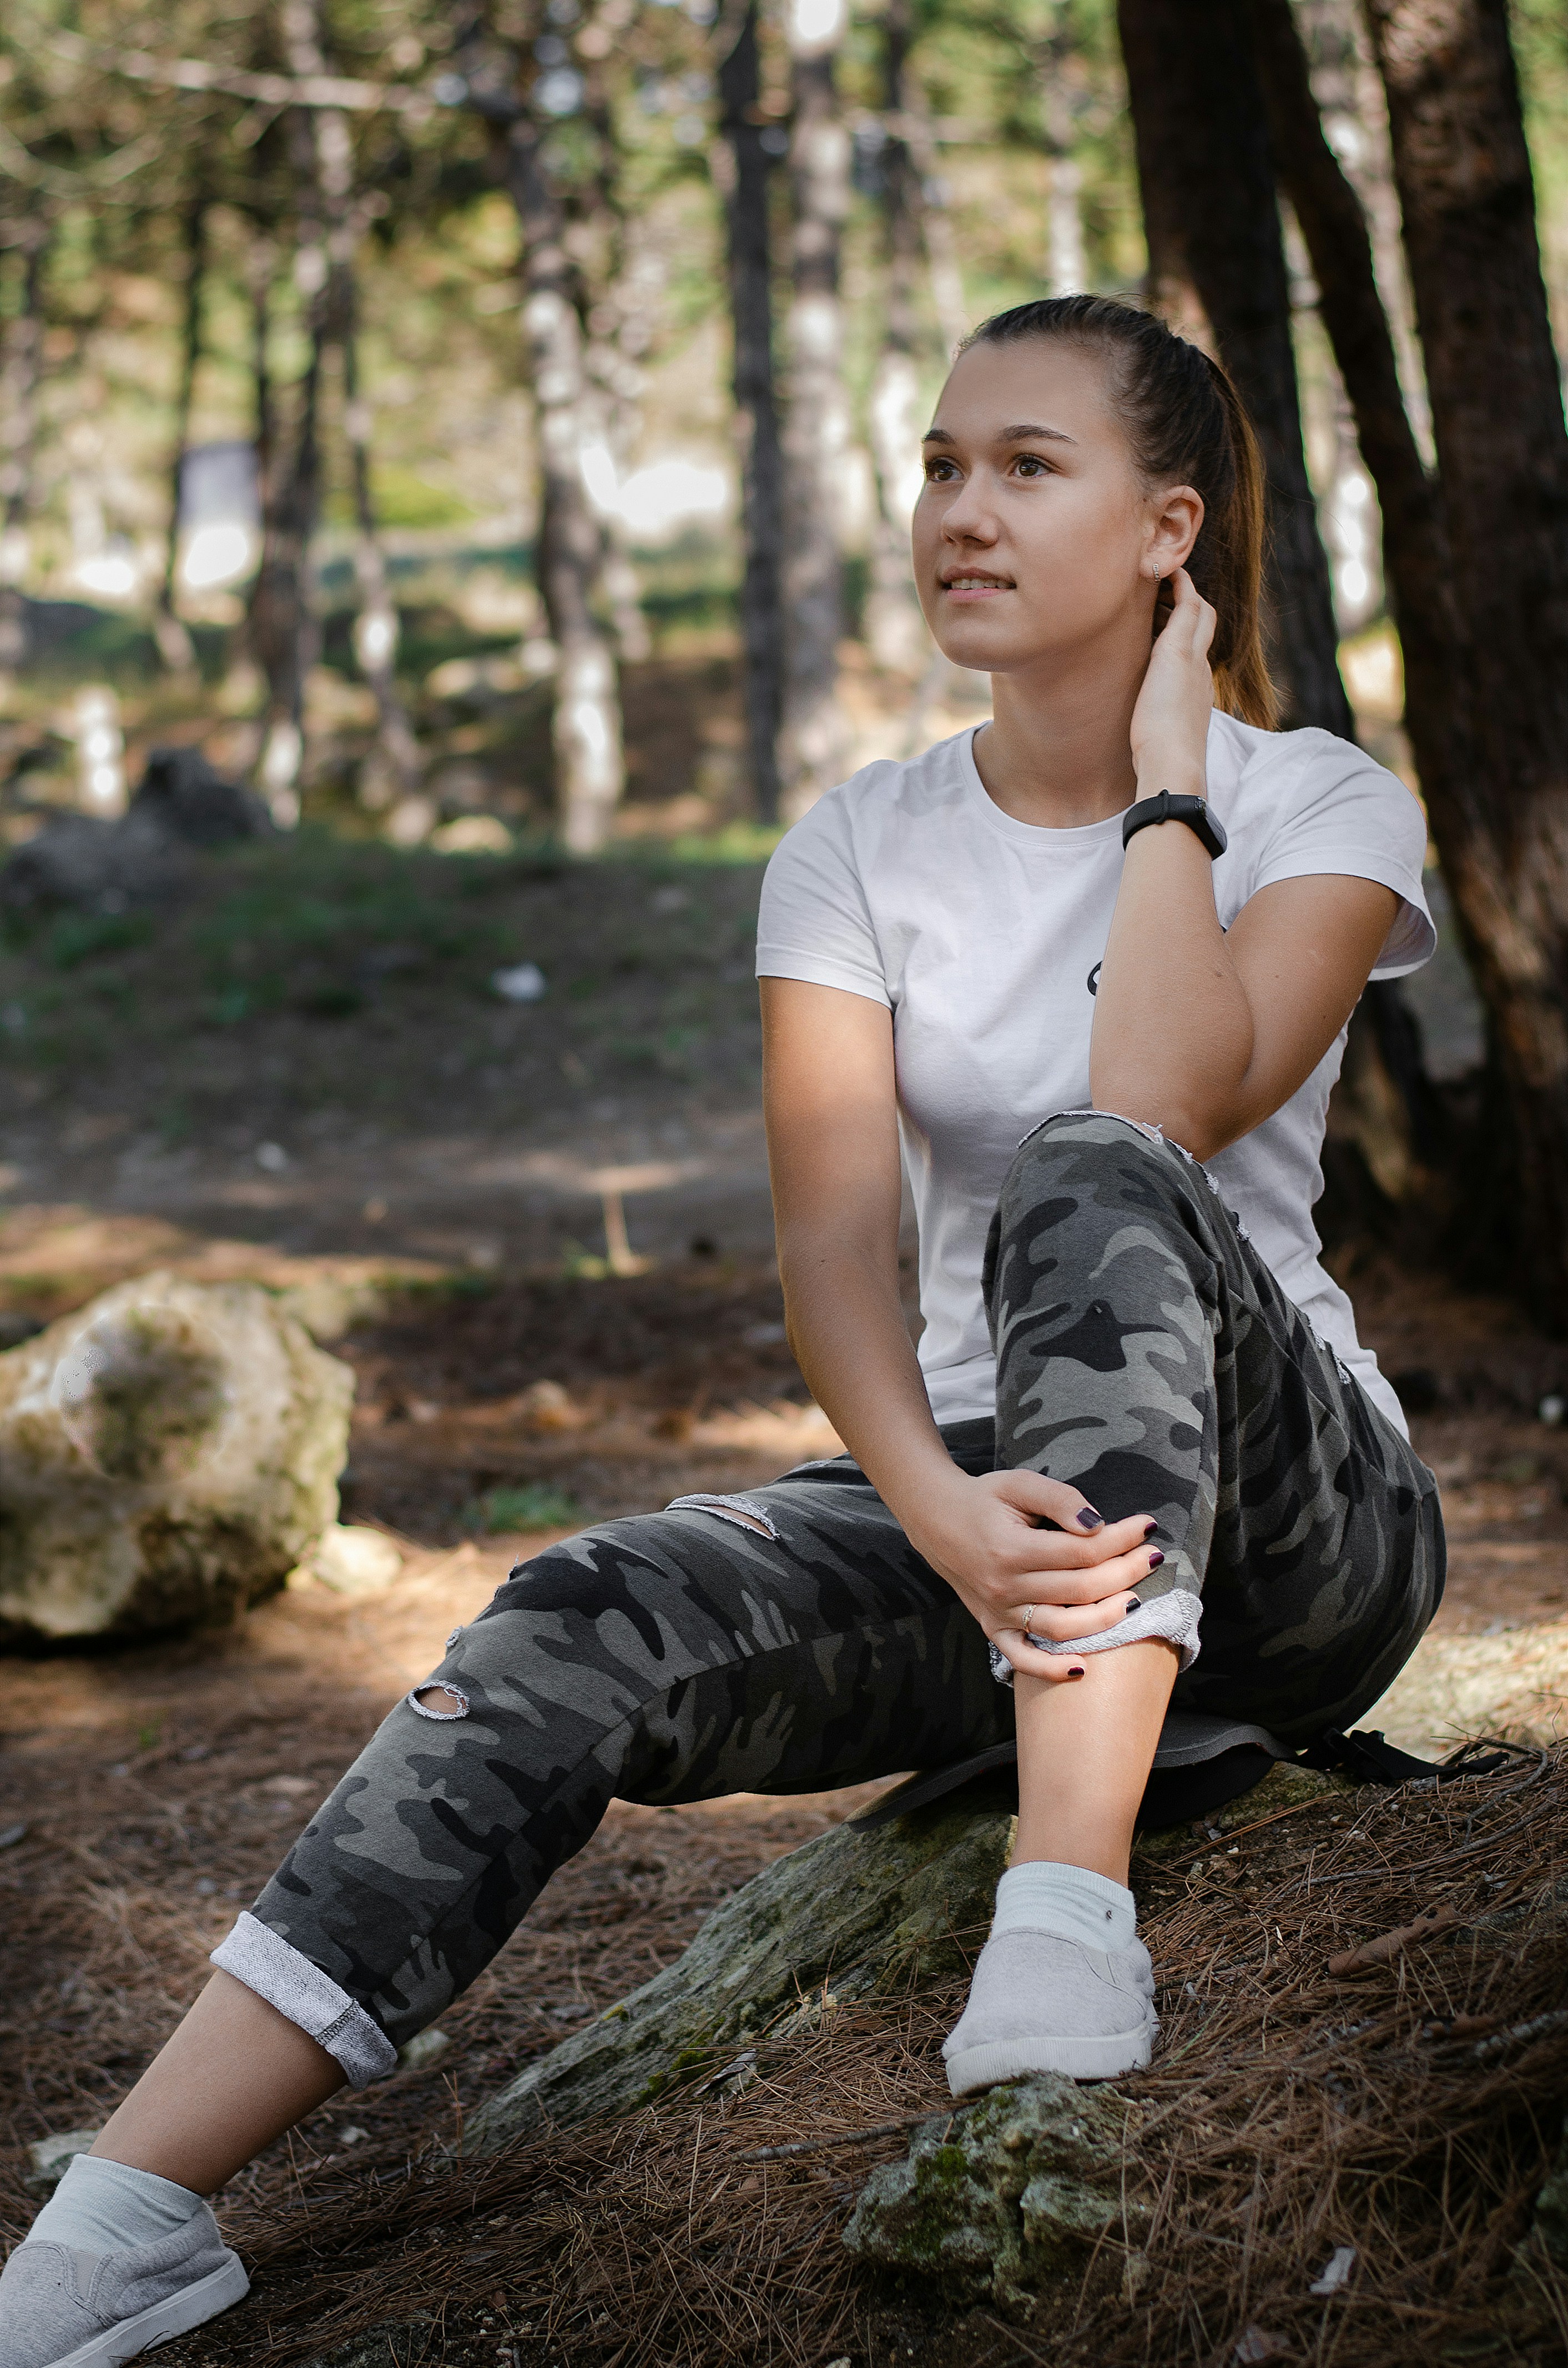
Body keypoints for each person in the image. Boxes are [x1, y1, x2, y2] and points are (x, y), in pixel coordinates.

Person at [1, 294, 1443, 2366]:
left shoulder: (1313, 803)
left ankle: (1063, 1907)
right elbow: (835, 1251)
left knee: (1087, 1164)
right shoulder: (856, 843)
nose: (960, 508)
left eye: (1029, 466)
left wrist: (1163, 792)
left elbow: (1167, 1102)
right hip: (991, 1521)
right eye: (942, 463)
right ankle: (138, 2203)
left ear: (1167, 529)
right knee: (569, 1614)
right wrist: (934, 1507)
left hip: (1306, 1530)